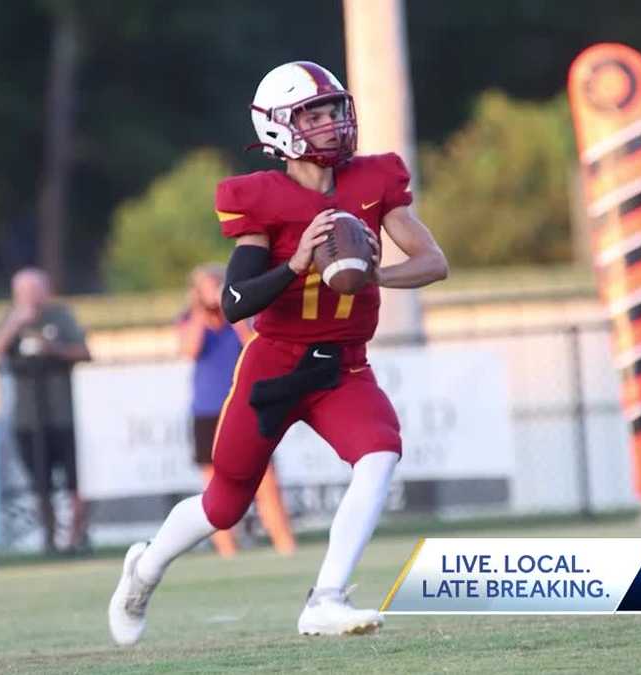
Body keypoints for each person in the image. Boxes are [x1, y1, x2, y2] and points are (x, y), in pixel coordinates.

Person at [109, 61, 448, 644]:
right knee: (224, 504)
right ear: (278, 128)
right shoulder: (260, 198)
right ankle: (144, 568)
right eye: (313, 115)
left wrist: (373, 272)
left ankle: (326, 598)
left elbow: (433, 262)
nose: (330, 124)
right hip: (277, 362)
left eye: (334, 110)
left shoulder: (375, 181)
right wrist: (296, 264)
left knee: (379, 454)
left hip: (343, 365)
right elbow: (235, 300)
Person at [178, 263, 295, 559]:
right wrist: (200, 312)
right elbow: (189, 350)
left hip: (245, 404)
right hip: (207, 409)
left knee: (266, 480)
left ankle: (285, 545)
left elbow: (256, 345)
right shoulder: (189, 319)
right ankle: (227, 551)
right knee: (215, 485)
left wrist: (233, 312)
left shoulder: (243, 316)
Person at [0, 268, 91, 553]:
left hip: (63, 413)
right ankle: (50, 539)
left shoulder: (60, 315)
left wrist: (53, 348)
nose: (30, 297)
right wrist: (14, 324)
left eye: (35, 290)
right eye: (24, 291)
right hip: (27, 418)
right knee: (39, 485)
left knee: (75, 481)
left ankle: (76, 537)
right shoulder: (9, 318)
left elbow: (85, 352)